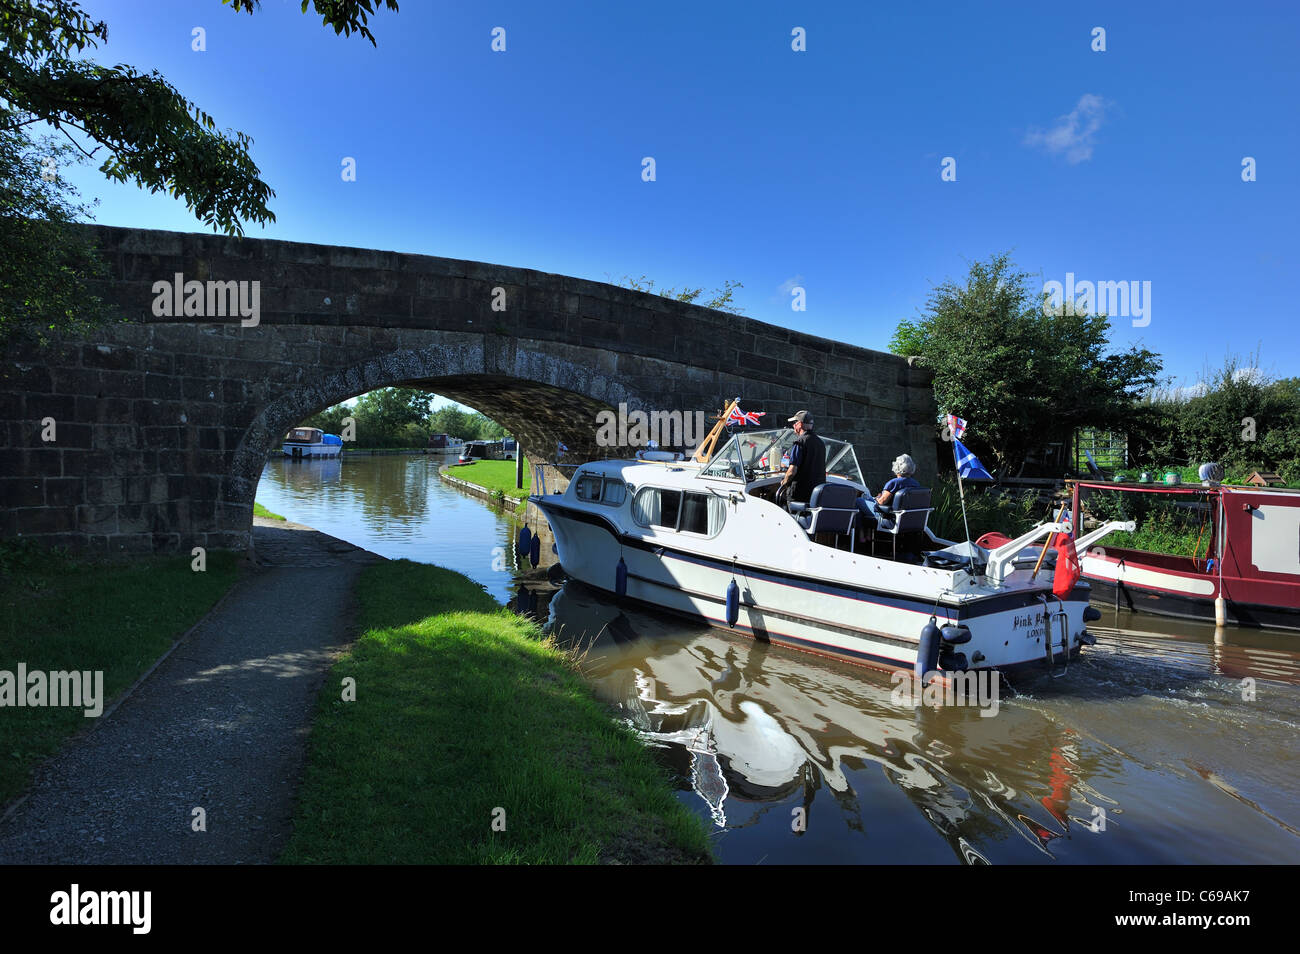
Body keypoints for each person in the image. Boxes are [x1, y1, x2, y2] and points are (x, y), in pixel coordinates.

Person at [777, 410, 826, 507]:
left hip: (799, 495)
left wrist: (784, 483)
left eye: (794, 423)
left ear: (799, 424)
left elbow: (792, 470)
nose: (793, 425)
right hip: (816, 495)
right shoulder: (820, 443)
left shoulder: (800, 442)